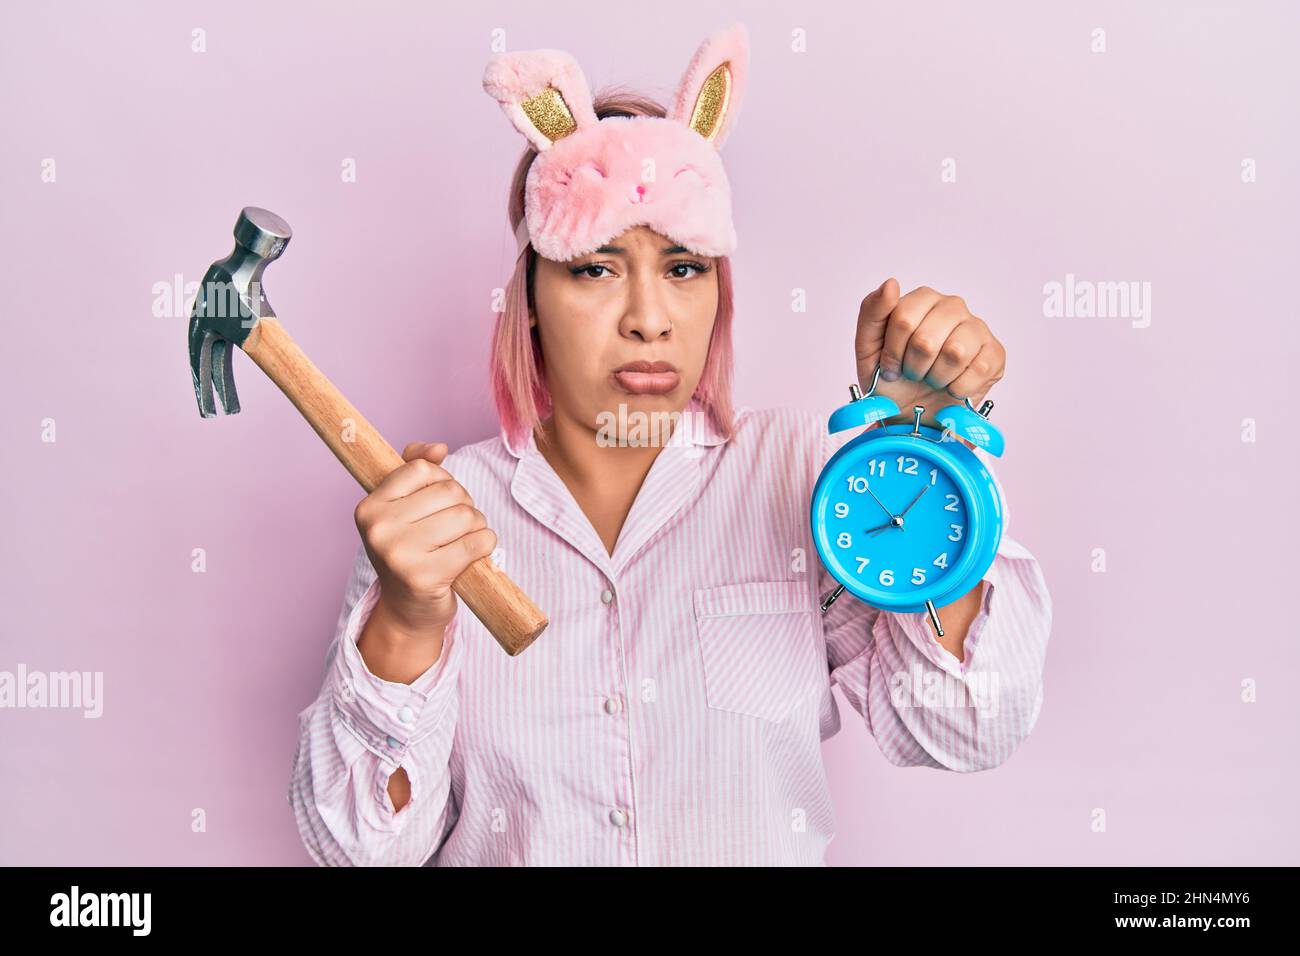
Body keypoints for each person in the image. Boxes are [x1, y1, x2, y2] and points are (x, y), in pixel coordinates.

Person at [288, 22, 1052, 866]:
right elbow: (358, 848)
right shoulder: (436, 524)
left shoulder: (808, 483)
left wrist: (927, 458)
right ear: (531, 298)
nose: (649, 318)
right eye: (596, 268)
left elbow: (967, 727)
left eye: (684, 268)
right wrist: (406, 618)